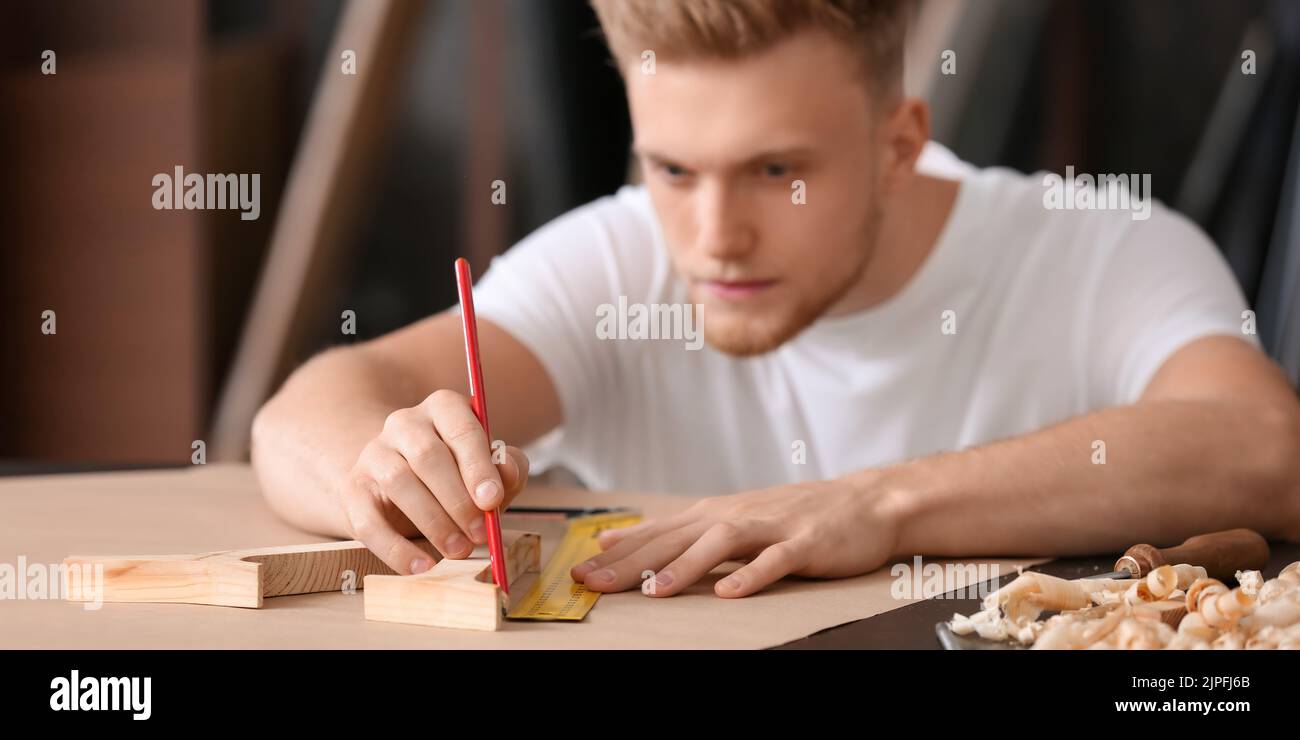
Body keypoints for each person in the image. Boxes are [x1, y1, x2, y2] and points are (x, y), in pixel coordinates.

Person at [251, 0, 1300, 600]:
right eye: (669, 169)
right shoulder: (619, 262)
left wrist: (874, 503)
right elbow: (306, 408)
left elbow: (1265, 447)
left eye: (773, 172)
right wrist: (384, 465)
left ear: (898, 145)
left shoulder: (1100, 251)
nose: (713, 237)